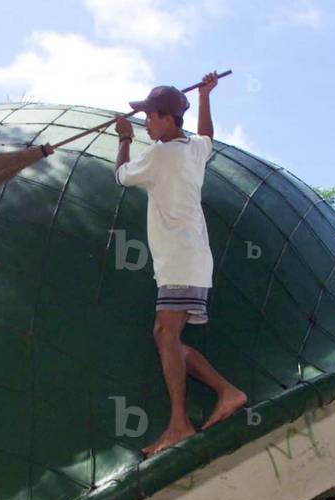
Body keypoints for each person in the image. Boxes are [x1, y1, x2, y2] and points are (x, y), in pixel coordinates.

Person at [114, 71, 248, 458]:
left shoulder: (160, 155)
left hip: (178, 262)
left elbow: (121, 176)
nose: (144, 122)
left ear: (167, 118)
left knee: (166, 335)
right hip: (190, 260)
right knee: (164, 337)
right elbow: (208, 135)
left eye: (149, 116)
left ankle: (179, 425)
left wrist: (123, 139)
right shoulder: (192, 149)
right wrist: (206, 96)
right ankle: (226, 391)